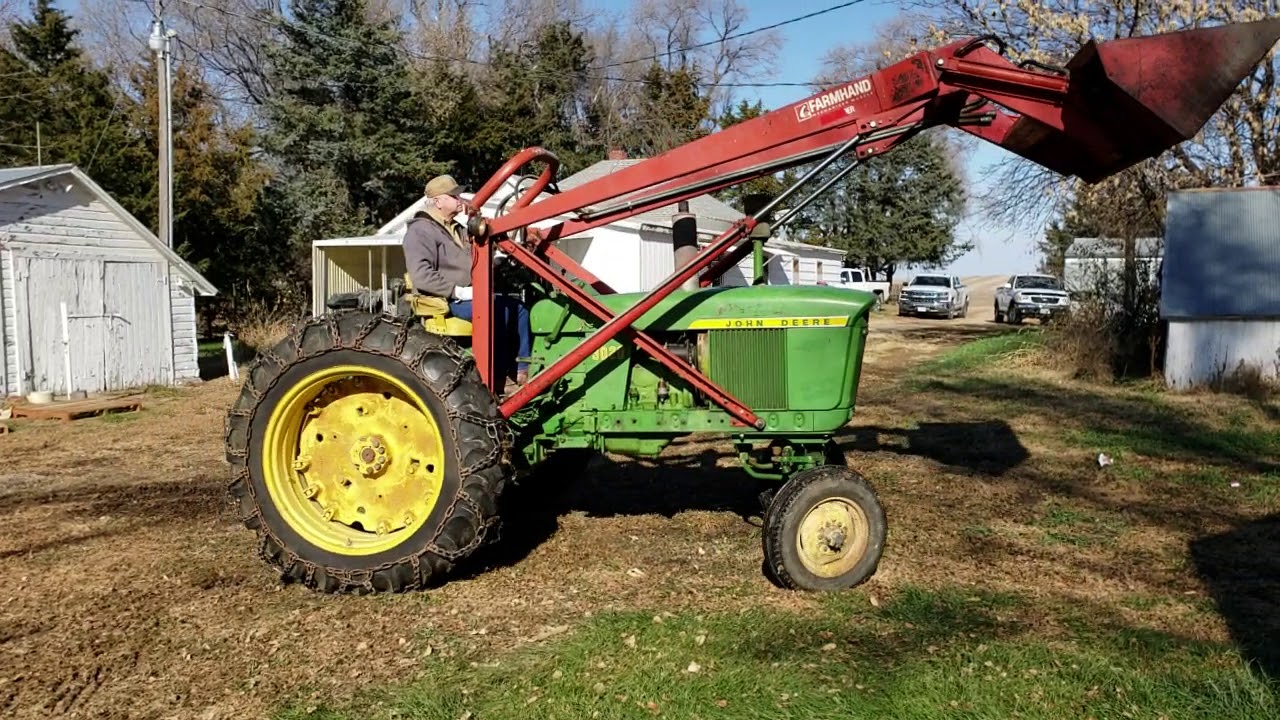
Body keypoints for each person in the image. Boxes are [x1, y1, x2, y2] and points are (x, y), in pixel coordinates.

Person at [403, 174, 532, 391]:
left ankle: (522, 369)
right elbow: (421, 275)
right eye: (454, 195)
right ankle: (498, 377)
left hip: (473, 293)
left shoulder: (457, 228)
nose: (459, 199)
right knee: (497, 312)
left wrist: (499, 260)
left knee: (518, 309)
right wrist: (459, 292)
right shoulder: (420, 231)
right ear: (438, 201)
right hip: (446, 300)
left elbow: (477, 257)